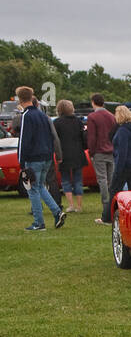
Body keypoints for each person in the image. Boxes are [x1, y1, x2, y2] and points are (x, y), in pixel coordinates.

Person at [15, 86, 65, 230]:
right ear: (31, 97)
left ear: (20, 99)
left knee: (32, 189)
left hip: (34, 157)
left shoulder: (26, 115)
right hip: (46, 156)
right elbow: (51, 136)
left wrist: (21, 162)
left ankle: (38, 222)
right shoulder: (43, 115)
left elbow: (24, 139)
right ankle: (57, 212)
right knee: (40, 186)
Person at [85, 93, 116, 225]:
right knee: (112, 179)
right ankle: (113, 204)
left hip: (99, 151)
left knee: (102, 179)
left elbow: (91, 137)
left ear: (93, 102)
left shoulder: (92, 117)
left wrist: (91, 151)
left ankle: (106, 206)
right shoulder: (111, 116)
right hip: (112, 150)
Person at [52, 100, 87, 214]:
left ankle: (71, 205)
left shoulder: (57, 122)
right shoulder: (78, 121)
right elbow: (83, 138)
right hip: (78, 153)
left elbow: (55, 140)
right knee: (78, 180)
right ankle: (79, 205)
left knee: (66, 180)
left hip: (64, 154)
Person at [109, 105, 131, 203]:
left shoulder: (122, 131)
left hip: (125, 164)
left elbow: (123, 151)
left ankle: (108, 214)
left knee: (114, 189)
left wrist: (118, 169)